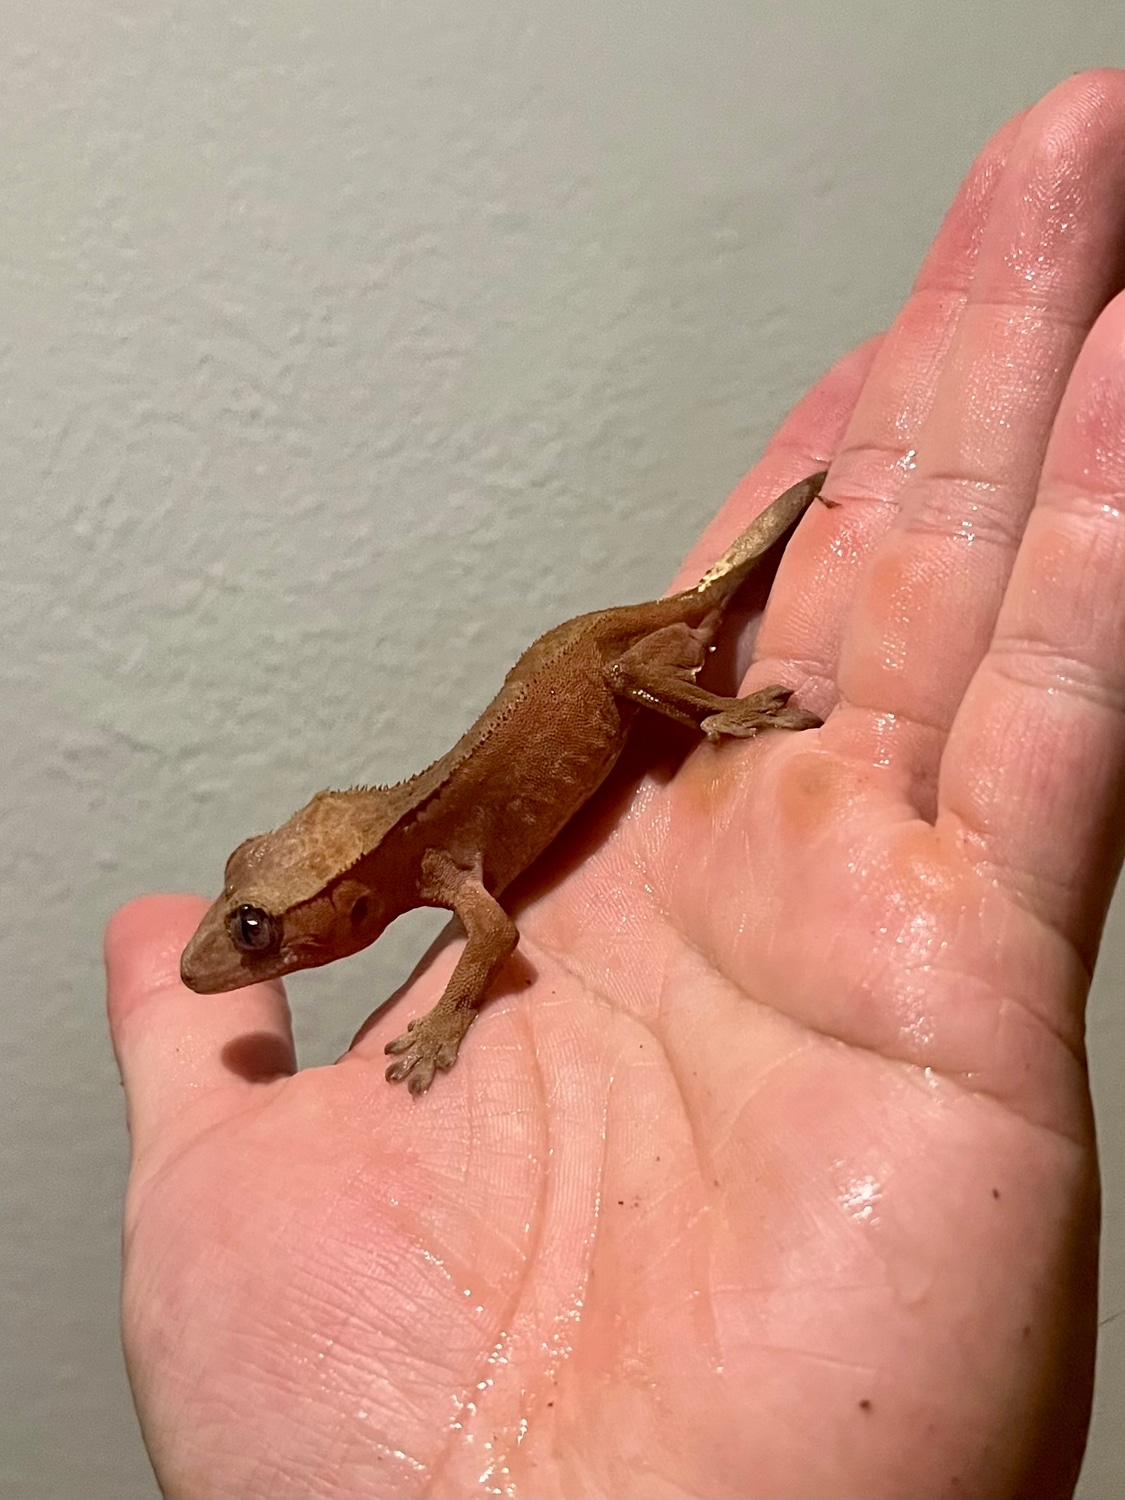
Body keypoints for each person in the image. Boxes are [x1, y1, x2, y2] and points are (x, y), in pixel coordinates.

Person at [105, 69, 1124, 1499]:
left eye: (260, 931)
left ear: (338, 905)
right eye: (250, 924)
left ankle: (719, 699)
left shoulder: (445, 872)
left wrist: (450, 1018)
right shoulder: (427, 859)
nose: (240, 956)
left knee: (677, 668)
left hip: (625, 665)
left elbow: (497, 943)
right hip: (585, 662)